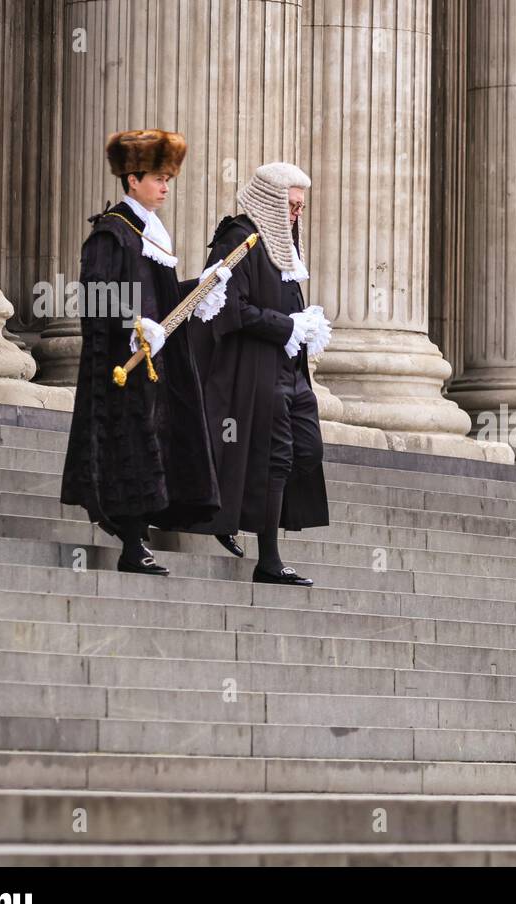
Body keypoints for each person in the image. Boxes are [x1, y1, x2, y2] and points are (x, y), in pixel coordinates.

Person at [60, 128, 218, 575]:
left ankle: (140, 537)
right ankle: (133, 545)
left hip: (155, 363)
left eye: (169, 178)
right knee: (129, 447)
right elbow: (94, 295)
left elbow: (162, 297)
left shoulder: (151, 233)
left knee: (155, 444)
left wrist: (200, 290)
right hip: (123, 366)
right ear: (132, 179)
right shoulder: (112, 233)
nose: (166, 186)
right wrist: (133, 324)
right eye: (158, 177)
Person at [187, 162, 330, 586]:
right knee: (277, 457)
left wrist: (306, 323)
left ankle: (233, 513)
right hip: (255, 368)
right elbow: (230, 309)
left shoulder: (287, 244)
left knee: (308, 449)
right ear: (269, 200)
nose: (296, 215)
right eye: (291, 206)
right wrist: (286, 326)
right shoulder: (239, 238)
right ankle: (268, 558)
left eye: (301, 207)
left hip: (291, 370)